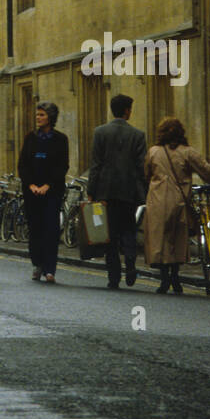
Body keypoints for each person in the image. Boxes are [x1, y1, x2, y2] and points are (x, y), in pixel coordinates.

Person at [144, 117, 210, 294]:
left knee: (161, 238)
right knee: (177, 237)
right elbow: (206, 170)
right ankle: (175, 276)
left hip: (157, 201)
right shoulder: (187, 152)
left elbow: (146, 173)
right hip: (178, 200)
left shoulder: (153, 152)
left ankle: (164, 278)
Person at [87, 93, 147, 289]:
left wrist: (91, 190)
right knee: (129, 229)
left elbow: (96, 165)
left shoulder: (100, 132)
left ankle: (114, 278)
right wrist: (143, 192)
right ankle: (130, 262)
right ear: (127, 111)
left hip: (105, 193)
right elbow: (141, 168)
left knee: (110, 234)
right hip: (129, 192)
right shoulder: (138, 135)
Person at [19, 101, 70, 284]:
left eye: (42, 115)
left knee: (50, 230)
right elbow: (23, 164)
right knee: (35, 229)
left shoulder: (60, 139)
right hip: (32, 191)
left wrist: (48, 185)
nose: (38, 118)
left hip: (52, 191)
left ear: (51, 117)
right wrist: (31, 184)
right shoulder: (30, 138)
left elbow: (62, 165)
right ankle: (37, 264)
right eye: (37, 114)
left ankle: (50, 269)